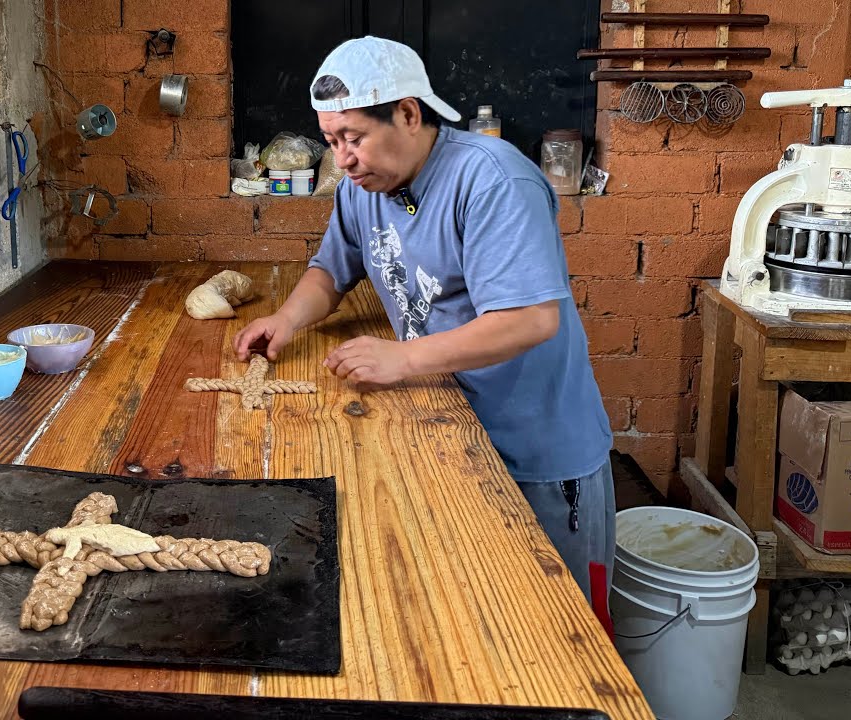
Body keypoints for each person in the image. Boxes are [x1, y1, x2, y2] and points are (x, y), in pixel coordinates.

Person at [233, 36, 614, 601]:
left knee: (557, 632)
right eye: (332, 140)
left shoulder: (492, 181)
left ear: (409, 114)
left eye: (354, 138)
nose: (342, 159)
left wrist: (403, 357)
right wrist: (288, 319)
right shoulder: (363, 186)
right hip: (448, 429)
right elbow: (331, 272)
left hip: (535, 453)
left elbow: (531, 320)